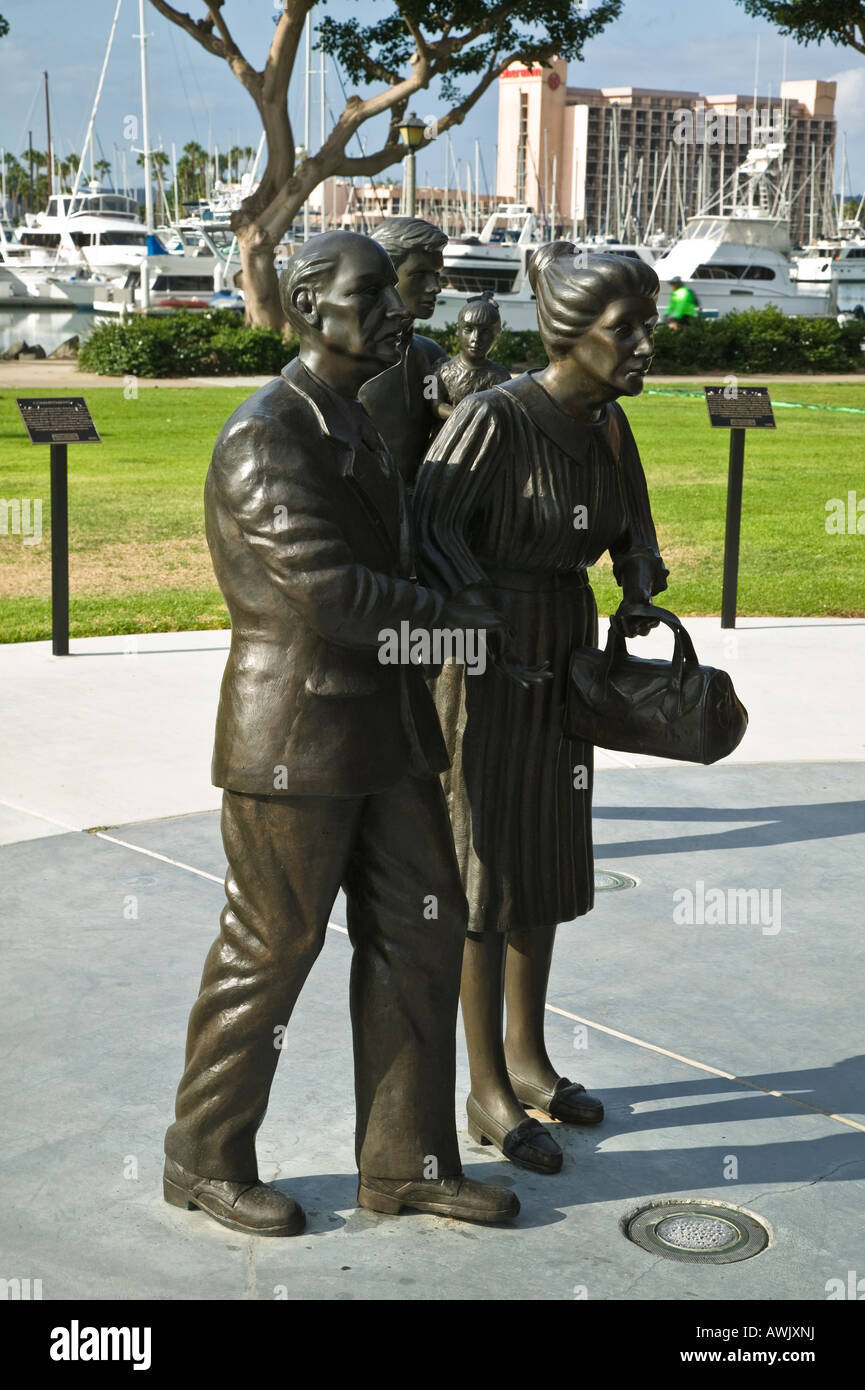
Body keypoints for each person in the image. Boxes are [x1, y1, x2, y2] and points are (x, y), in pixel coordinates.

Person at [163, 230, 519, 1234]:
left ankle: (405, 1160)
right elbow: (326, 591)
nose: (397, 310)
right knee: (272, 947)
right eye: (370, 296)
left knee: (422, 928)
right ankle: (202, 1154)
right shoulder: (266, 433)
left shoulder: (354, 423)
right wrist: (451, 622)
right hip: (297, 742)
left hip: (388, 734)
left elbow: (394, 561)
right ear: (309, 306)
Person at [414, 245, 669, 1174]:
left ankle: (527, 1060)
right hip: (486, 662)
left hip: (563, 647)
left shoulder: (605, 424)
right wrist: (481, 639)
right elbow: (428, 534)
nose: (644, 346)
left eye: (649, 328)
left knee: (548, 860)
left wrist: (638, 580)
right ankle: (481, 1086)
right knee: (485, 869)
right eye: (625, 332)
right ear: (570, 333)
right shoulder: (492, 417)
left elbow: (631, 526)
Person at [359, 216, 448, 490]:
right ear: (385, 278)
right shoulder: (352, 362)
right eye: (420, 275)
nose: (435, 287)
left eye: (437, 274)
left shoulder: (431, 355)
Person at [433, 291, 510, 420]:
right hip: (445, 438)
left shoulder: (501, 378)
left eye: (485, 331)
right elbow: (434, 404)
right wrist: (469, 417)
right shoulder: (439, 369)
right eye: (469, 329)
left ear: (497, 334)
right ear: (458, 330)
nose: (476, 338)